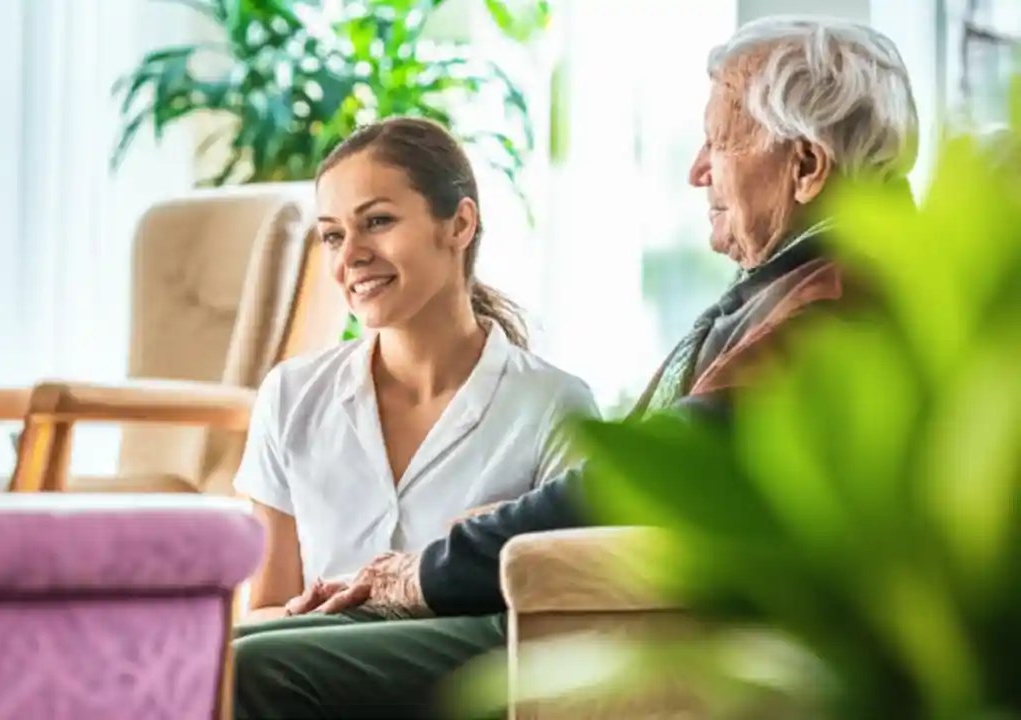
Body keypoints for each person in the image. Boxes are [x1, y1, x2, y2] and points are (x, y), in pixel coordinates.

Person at [233, 15, 920, 718]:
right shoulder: (795, 286)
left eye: (719, 140)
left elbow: (645, 472)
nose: (697, 170)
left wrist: (426, 570)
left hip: (627, 633)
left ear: (805, 167)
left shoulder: (832, 302)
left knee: (255, 667)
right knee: (247, 647)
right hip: (600, 614)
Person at [233, 117, 598, 622]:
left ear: (459, 225)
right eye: (334, 236)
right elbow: (266, 608)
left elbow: (568, 610)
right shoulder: (291, 395)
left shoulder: (552, 406)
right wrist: (300, 622)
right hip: (307, 684)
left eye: (378, 222)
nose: (352, 256)